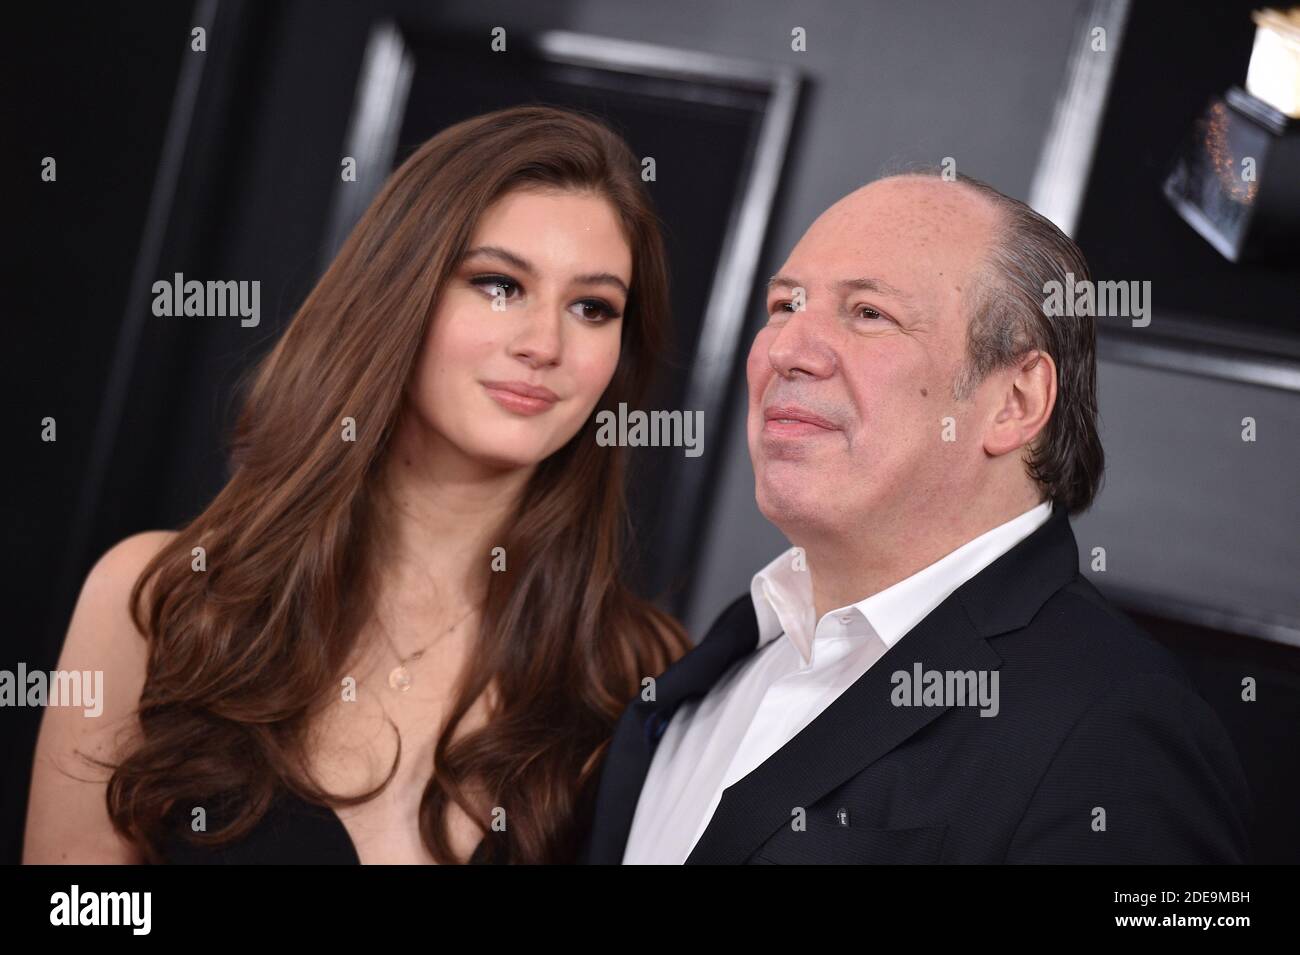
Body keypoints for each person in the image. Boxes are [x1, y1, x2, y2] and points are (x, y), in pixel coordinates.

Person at [24, 105, 690, 865]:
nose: (545, 343)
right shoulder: (163, 595)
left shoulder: (636, 674)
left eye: (592, 307)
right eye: (499, 284)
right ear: (398, 292)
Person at [583, 169, 1252, 864]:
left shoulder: (1116, 730)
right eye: (784, 305)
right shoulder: (723, 653)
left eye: (868, 313)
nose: (785, 349)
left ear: (1016, 401)